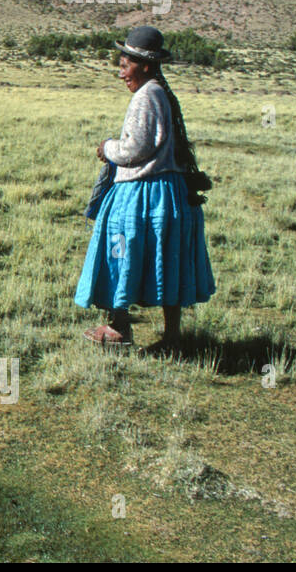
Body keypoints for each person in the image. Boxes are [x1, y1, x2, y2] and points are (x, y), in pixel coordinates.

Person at [76, 26, 215, 348]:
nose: (122, 70)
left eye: (128, 63)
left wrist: (107, 148)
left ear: (147, 66)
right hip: (168, 193)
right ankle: (173, 337)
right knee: (168, 258)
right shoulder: (160, 92)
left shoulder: (146, 96)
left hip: (142, 192)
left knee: (118, 250)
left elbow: (135, 149)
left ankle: (119, 329)